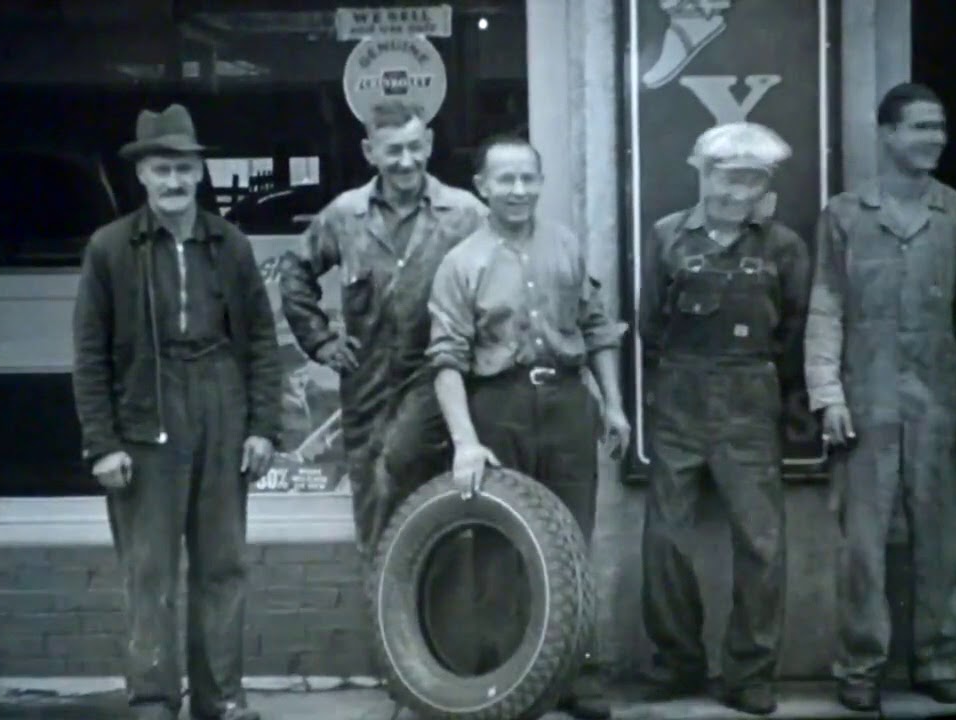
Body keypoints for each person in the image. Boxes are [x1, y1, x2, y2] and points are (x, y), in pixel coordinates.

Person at [71, 104, 282, 720]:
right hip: (145, 414)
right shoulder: (110, 249)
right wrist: (102, 443)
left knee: (222, 566)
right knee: (150, 570)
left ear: (199, 172)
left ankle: (221, 699)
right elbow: (89, 355)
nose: (173, 181)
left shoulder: (230, 245)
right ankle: (154, 699)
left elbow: (261, 341)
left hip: (220, 403)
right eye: (161, 169)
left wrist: (262, 428)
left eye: (184, 168)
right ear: (141, 175)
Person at [427, 134, 631, 720]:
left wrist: (613, 405)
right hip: (499, 407)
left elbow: (596, 329)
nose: (518, 190)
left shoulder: (564, 245)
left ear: (540, 183)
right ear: (482, 187)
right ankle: (505, 678)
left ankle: (577, 675)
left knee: (572, 543)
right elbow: (445, 361)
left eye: (528, 179)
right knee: (500, 547)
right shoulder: (462, 263)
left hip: (567, 406)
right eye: (505, 180)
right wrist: (466, 441)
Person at [804, 82, 956, 712]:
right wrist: (828, 394)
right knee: (862, 547)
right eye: (921, 127)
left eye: (940, 127)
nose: (935, 139)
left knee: (942, 540)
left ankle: (939, 658)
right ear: (887, 134)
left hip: (940, 403)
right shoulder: (846, 215)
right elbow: (826, 307)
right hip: (866, 400)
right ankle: (860, 667)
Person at [636, 121, 809, 716]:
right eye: (731, 178)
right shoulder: (667, 237)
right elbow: (651, 325)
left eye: (754, 180)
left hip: (751, 403)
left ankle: (750, 673)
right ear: (704, 175)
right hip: (680, 400)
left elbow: (795, 329)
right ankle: (677, 661)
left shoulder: (783, 247)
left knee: (761, 543)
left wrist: (767, 388)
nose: (741, 192)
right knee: (665, 539)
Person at [277, 99, 488, 562]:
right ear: (369, 152)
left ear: (429, 144)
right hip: (367, 386)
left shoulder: (466, 214)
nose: (406, 161)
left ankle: (432, 601)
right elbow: (294, 273)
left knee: (437, 505)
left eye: (414, 147)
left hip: (440, 378)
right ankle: (384, 601)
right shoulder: (345, 216)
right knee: (374, 508)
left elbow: (499, 285)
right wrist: (321, 341)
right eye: (393, 150)